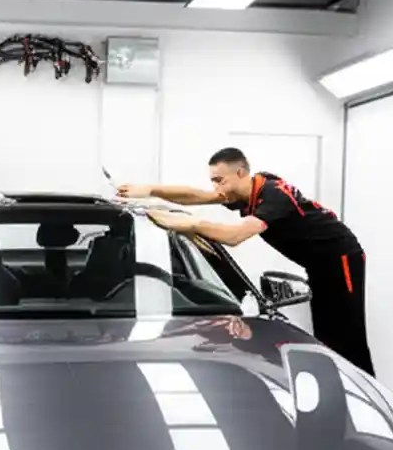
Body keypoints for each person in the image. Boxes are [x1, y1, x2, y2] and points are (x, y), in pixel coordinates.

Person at [117, 147, 375, 376]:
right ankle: (336, 387)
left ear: (240, 173)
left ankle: (366, 395)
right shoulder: (245, 191)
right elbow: (196, 196)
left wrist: (190, 224)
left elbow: (235, 236)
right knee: (327, 336)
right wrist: (150, 190)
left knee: (348, 337)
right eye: (213, 181)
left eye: (220, 181)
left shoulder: (273, 196)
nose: (217, 189)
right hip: (317, 264)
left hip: (341, 257)